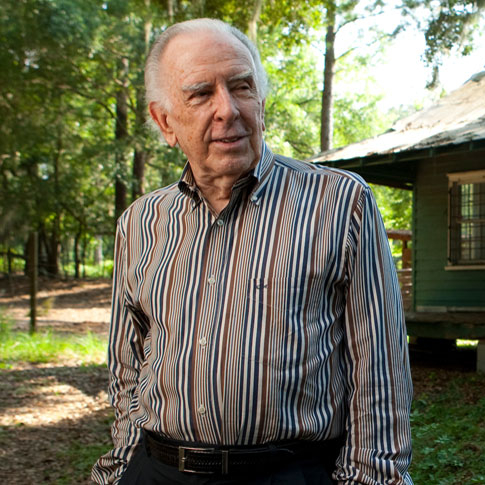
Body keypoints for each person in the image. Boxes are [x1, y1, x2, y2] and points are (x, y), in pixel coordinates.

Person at [91, 18, 413, 485]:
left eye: (241, 86)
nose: (227, 109)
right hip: (158, 472)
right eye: (201, 93)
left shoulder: (341, 203)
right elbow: (127, 369)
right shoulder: (140, 222)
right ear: (164, 121)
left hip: (288, 473)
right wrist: (120, 470)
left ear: (260, 100)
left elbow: (379, 371)